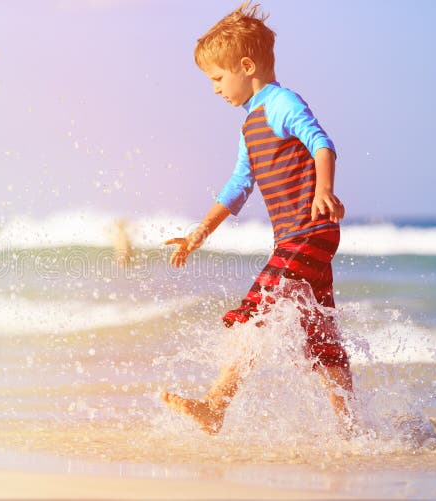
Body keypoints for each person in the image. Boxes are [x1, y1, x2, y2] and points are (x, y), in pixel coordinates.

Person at [161, 2, 354, 435]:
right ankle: (352, 427)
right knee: (319, 334)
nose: (214, 89)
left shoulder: (281, 104)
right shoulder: (251, 124)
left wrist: (324, 190)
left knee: (255, 312)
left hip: (309, 231)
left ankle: (216, 405)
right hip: (297, 237)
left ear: (245, 66)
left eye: (217, 78)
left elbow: (321, 143)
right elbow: (237, 186)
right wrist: (198, 235)